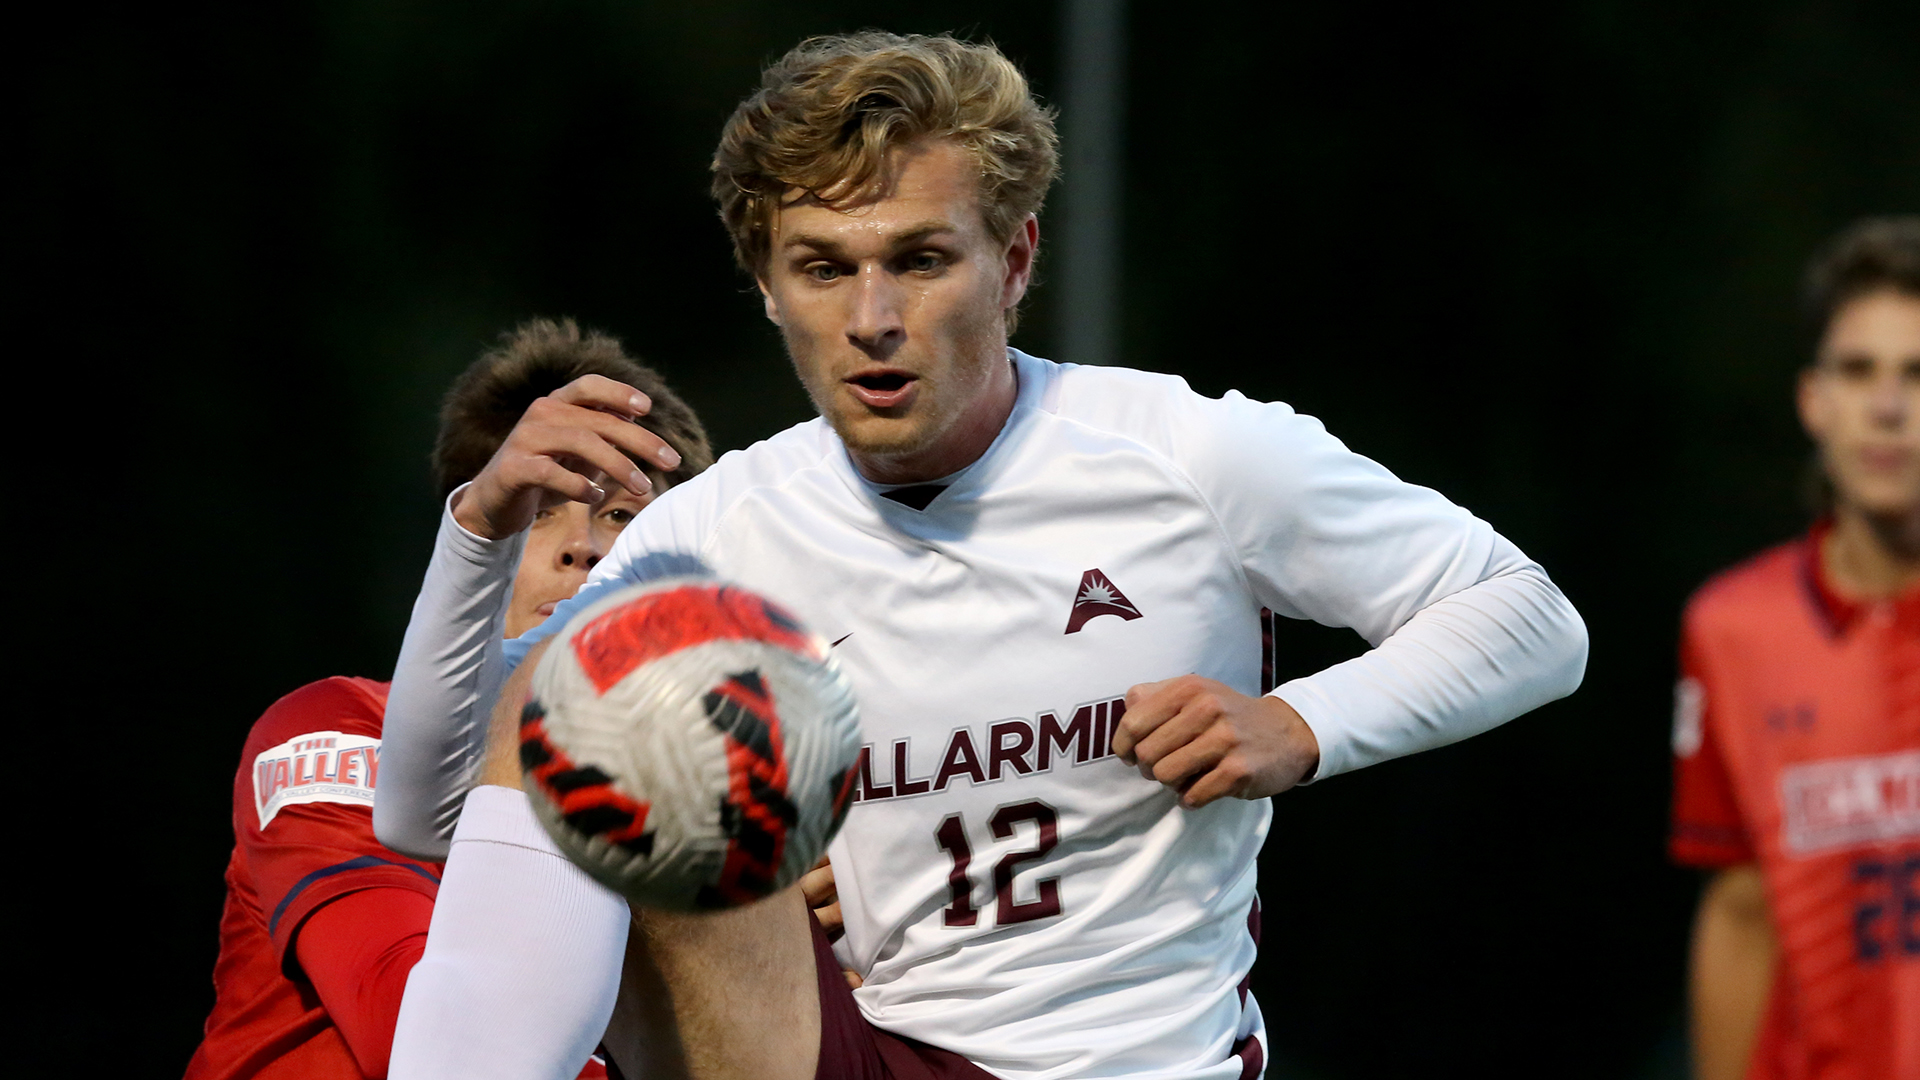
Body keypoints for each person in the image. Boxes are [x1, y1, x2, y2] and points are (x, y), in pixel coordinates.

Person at [376, 31, 1590, 1080]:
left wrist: (1301, 724)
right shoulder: (718, 529)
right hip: (869, 1052)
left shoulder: (1189, 452)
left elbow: (1527, 614)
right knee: (579, 700)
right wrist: (479, 531)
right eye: (824, 268)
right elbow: (426, 814)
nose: (872, 320)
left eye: (919, 259)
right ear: (767, 286)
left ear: (1012, 263)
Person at [186, 318, 712, 1080]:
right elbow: (422, 1046)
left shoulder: (727, 809)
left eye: (623, 517)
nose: (586, 547)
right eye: (540, 509)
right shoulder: (339, 730)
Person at [1671, 217, 1919, 1080]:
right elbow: (1742, 911)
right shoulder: (1735, 630)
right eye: (1859, 370)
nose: (1887, 407)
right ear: (1813, 400)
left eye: (1917, 374)